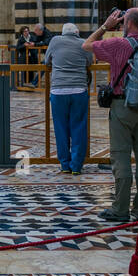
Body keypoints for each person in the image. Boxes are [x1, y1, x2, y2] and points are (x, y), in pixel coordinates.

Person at [83, 7, 138, 221]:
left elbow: (86, 45)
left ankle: (120, 208)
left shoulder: (119, 44)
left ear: (128, 23)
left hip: (122, 106)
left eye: (124, 20)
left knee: (120, 157)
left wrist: (105, 27)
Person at [43, 23, 91, 175]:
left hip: (58, 91)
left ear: (63, 33)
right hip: (79, 90)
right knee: (79, 127)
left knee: (61, 128)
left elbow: (46, 61)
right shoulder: (83, 43)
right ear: (77, 33)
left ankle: (64, 165)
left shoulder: (55, 41)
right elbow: (90, 62)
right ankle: (76, 166)